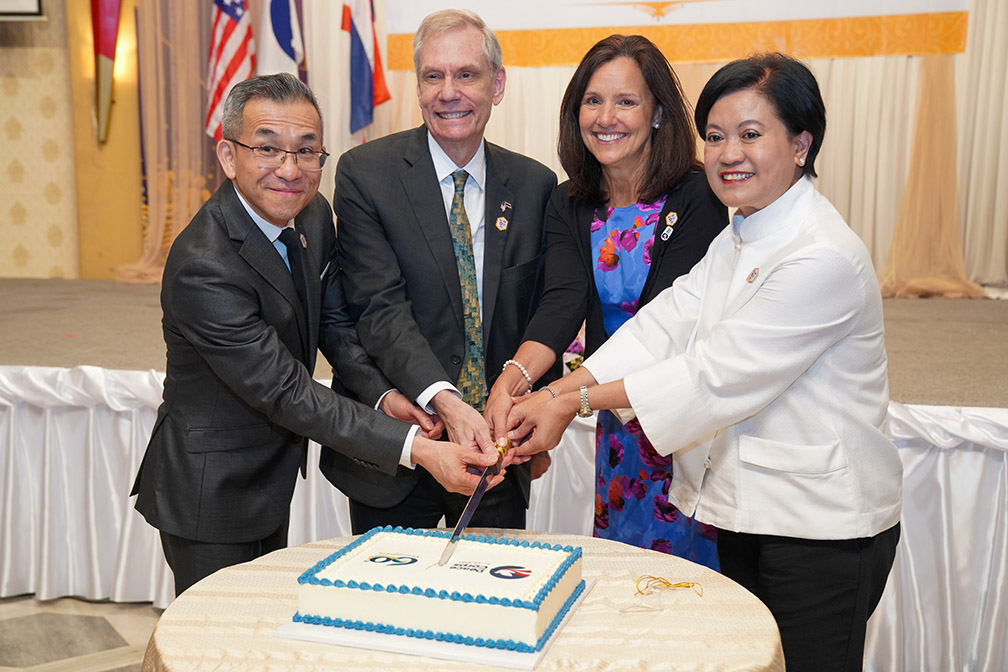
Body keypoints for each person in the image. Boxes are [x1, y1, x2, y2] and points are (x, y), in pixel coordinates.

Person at [507, 53, 902, 672]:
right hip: (745, 511)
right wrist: (565, 388)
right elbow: (666, 321)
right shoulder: (741, 232)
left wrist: (569, 400)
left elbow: (713, 373)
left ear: (801, 145)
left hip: (820, 528)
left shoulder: (821, 255)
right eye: (715, 137)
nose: (727, 154)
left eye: (751, 135)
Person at [131, 73, 499, 597]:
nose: (290, 170)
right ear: (229, 156)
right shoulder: (203, 265)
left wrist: (385, 395)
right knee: (220, 641)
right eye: (268, 149)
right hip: (210, 492)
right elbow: (286, 391)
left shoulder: (313, 217)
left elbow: (333, 322)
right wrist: (417, 448)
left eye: (307, 152)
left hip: (270, 475)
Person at [484, 35, 725, 563]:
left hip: (677, 413)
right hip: (613, 416)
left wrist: (559, 400)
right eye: (592, 101)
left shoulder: (698, 195)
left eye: (626, 101)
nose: (606, 117)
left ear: (659, 112)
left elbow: (665, 327)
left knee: (688, 581)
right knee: (624, 569)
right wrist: (515, 378)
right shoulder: (572, 200)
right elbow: (562, 302)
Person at [325, 9, 558, 533]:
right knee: (387, 606)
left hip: (498, 456)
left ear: (497, 84)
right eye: (434, 76)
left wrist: (541, 422)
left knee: (491, 605)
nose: (448, 91)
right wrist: (447, 404)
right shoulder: (367, 175)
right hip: (402, 446)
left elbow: (545, 311)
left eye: (466, 74)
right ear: (419, 86)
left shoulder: (536, 186)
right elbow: (378, 308)